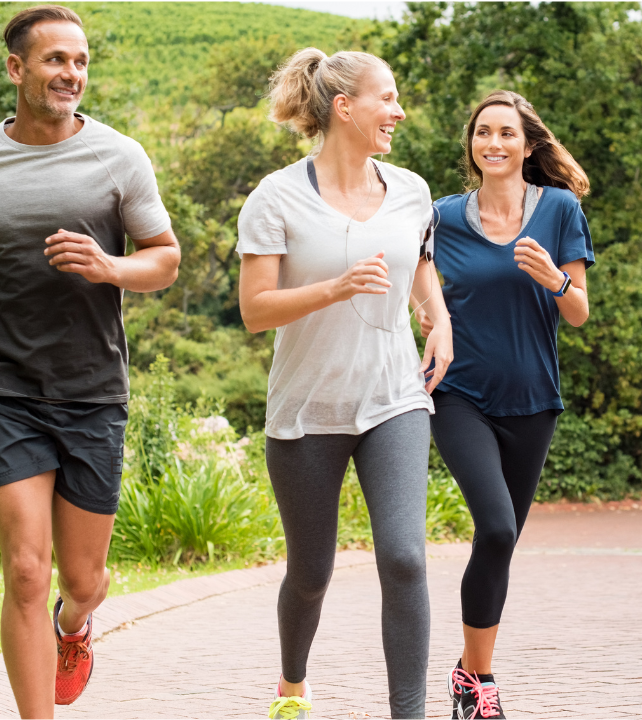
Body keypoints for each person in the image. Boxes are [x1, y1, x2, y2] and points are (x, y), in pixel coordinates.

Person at [0, 5, 180, 718]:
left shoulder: (118, 156)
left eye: (81, 61)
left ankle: (77, 624)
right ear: (17, 69)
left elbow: (165, 259)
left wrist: (107, 267)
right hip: (4, 385)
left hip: (93, 388)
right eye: (56, 60)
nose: (72, 73)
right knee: (27, 571)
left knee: (83, 579)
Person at [236, 47, 453, 720]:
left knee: (405, 558)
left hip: (393, 398)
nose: (398, 110)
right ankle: (293, 687)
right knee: (310, 574)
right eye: (387, 98)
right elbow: (254, 309)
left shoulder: (412, 190)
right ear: (345, 107)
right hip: (306, 411)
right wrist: (332, 286)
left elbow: (418, 260)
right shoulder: (277, 197)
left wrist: (438, 318)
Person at [421, 90, 593, 720]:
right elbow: (419, 287)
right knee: (494, 525)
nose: (493, 143)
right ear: (472, 145)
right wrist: (431, 321)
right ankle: (484, 681)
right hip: (459, 393)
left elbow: (578, 312)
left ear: (527, 144)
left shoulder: (561, 211)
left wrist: (555, 278)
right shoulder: (442, 216)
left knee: (502, 541)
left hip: (532, 401)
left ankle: (465, 673)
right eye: (482, 133)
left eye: (506, 133)